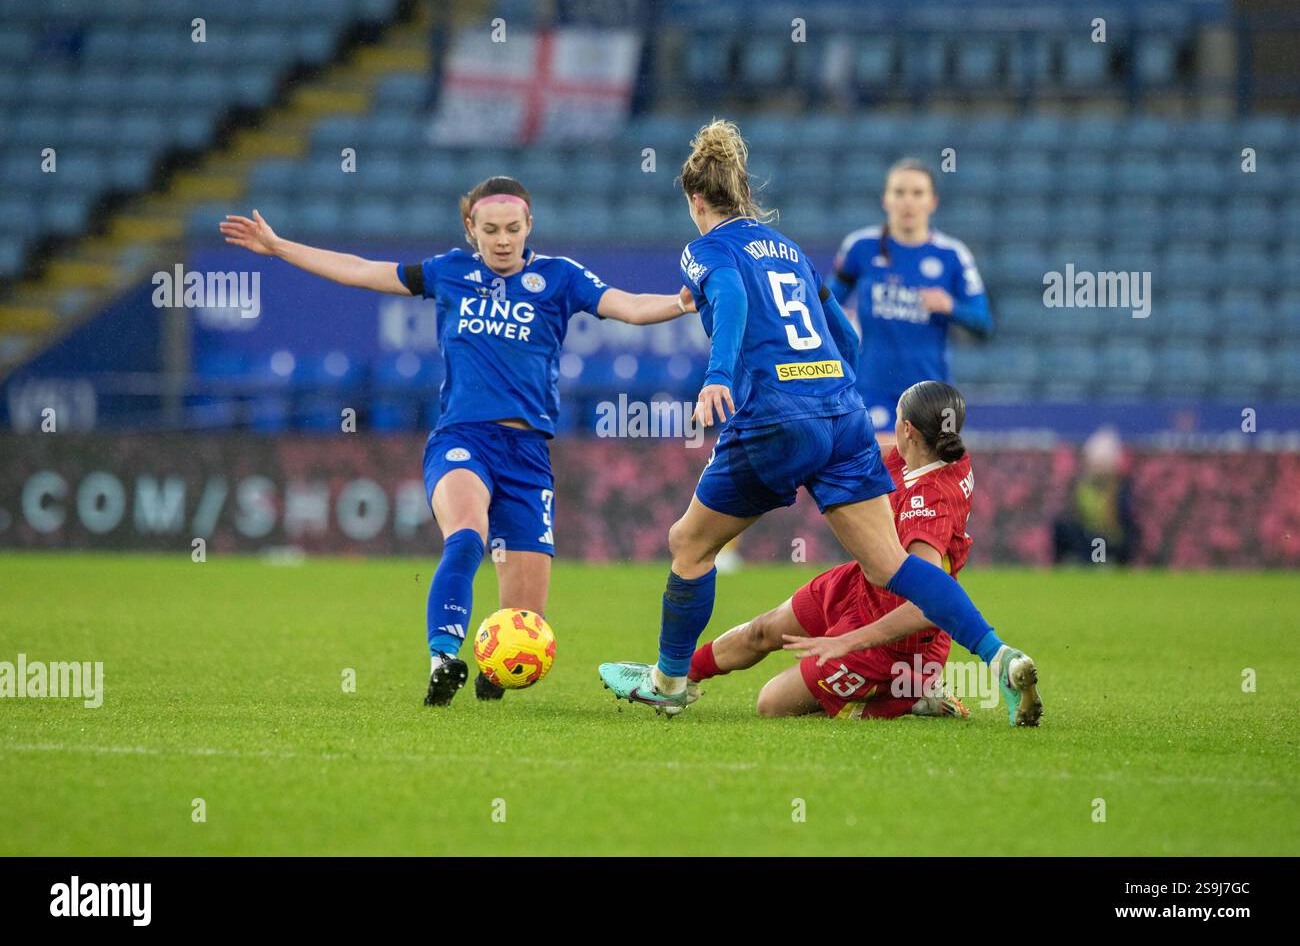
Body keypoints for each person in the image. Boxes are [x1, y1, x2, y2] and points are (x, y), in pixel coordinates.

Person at [597, 122, 1041, 725]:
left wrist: (719, 376)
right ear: (744, 191)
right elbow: (846, 334)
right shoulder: (789, 248)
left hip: (774, 420)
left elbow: (728, 296)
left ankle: (670, 682)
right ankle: (997, 654)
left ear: (696, 201)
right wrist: (840, 390)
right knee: (892, 566)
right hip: (842, 414)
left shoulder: (706, 250)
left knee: (690, 544)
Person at [220, 176, 695, 707]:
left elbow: (628, 306)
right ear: (470, 228)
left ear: (529, 226)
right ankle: (443, 658)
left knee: (525, 626)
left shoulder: (559, 278)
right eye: (490, 229)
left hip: (529, 456)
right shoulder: (449, 272)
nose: (502, 240)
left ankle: (490, 682)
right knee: (467, 536)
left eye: (513, 229)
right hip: (462, 439)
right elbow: (360, 271)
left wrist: (682, 302)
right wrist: (279, 246)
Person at [689, 381, 1039, 725]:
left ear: (908, 428)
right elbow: (859, 444)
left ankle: (912, 695)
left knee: (772, 703)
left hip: (896, 646)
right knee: (762, 630)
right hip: (861, 584)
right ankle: (679, 676)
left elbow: (923, 607)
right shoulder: (936, 454)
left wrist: (848, 641)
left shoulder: (928, 504)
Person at [830, 158, 991, 436]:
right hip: (873, 389)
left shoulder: (952, 255)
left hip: (931, 394)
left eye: (917, 193)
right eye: (899, 192)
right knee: (883, 467)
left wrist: (951, 306)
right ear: (886, 200)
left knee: (927, 478)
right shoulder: (861, 247)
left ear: (932, 202)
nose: (908, 202)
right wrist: (839, 317)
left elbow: (983, 323)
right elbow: (826, 301)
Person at [1053, 426, 1138, 565]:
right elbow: (1078, 515)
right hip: (1087, 535)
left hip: (1108, 539)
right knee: (1064, 528)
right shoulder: (1083, 486)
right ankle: (1069, 563)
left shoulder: (1119, 489)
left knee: (1099, 539)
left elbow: (1121, 522)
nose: (1096, 467)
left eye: (1101, 464)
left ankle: (1099, 563)